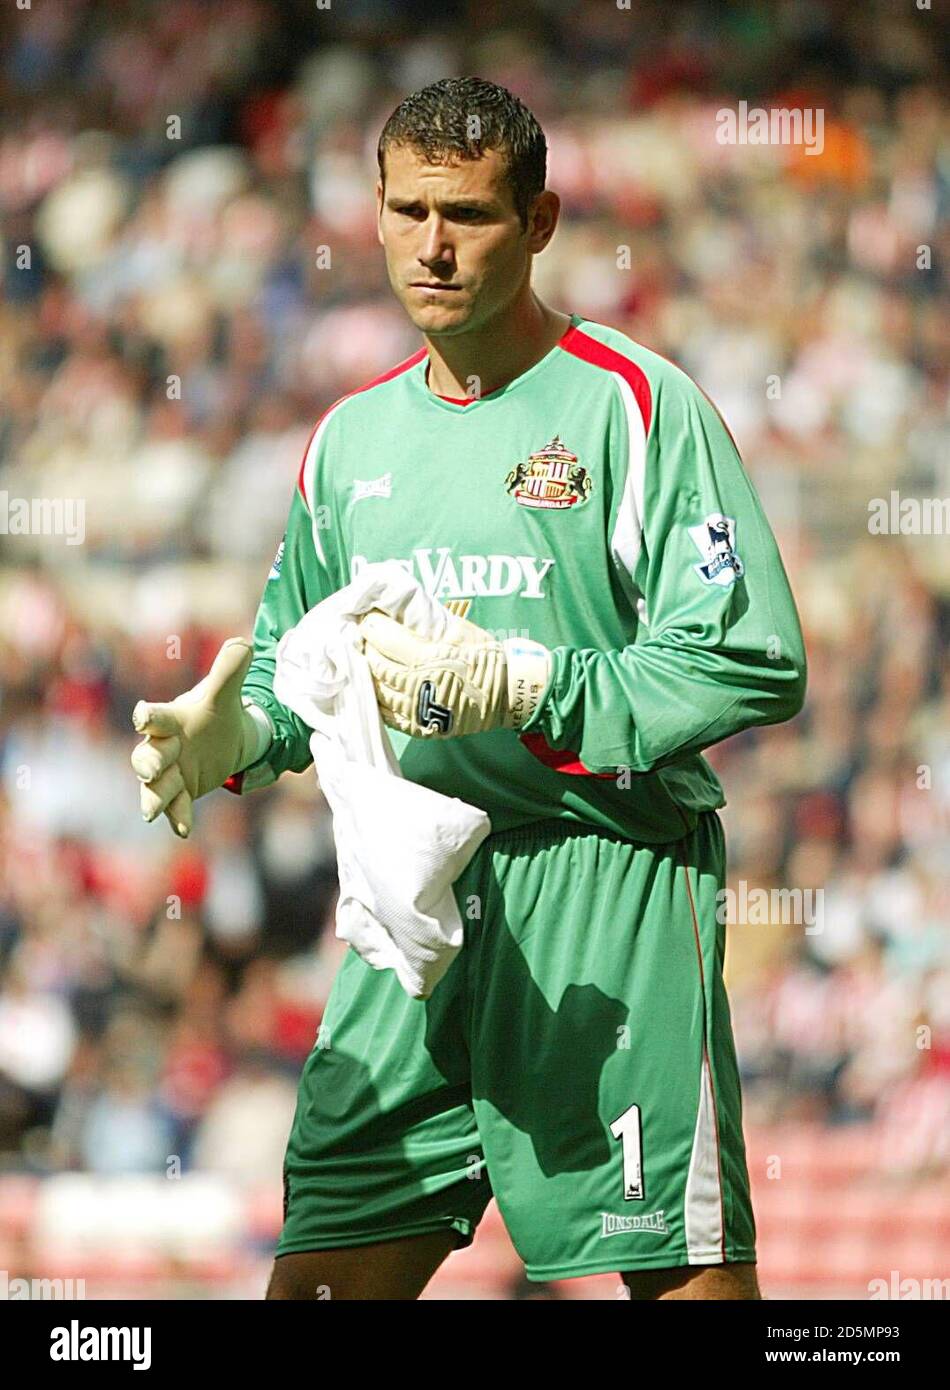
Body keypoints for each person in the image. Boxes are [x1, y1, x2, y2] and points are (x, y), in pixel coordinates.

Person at [130, 77, 807, 1300]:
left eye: (471, 215)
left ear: (538, 223)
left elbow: (749, 653)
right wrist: (229, 725)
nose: (432, 245)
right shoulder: (347, 441)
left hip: (602, 879)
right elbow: (301, 668)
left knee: (682, 1286)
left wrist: (530, 684)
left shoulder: (634, 406)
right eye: (408, 211)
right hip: (410, 905)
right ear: (376, 214)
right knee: (319, 1282)